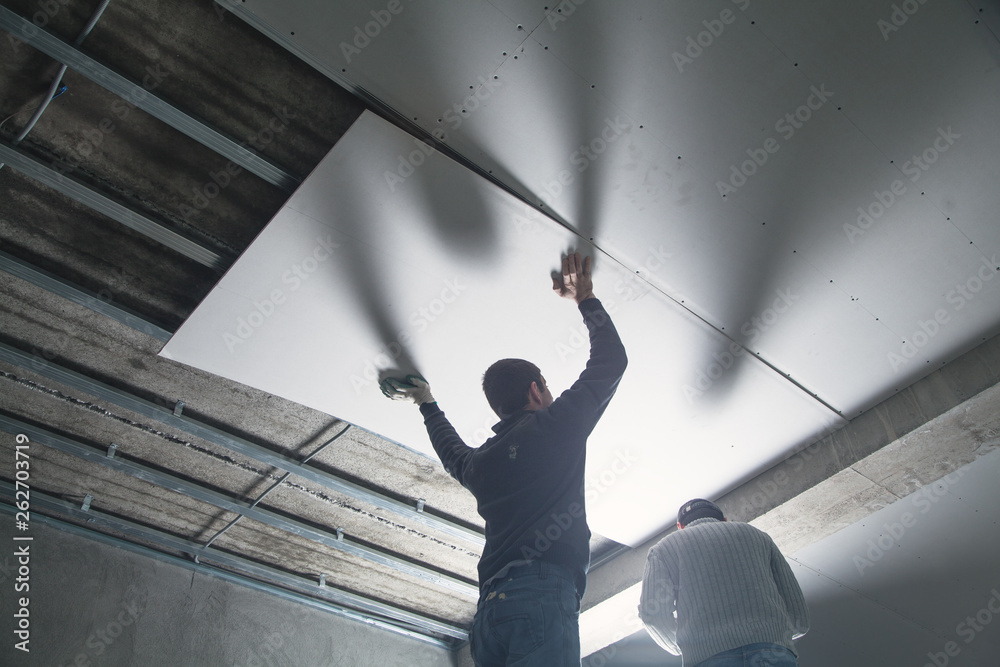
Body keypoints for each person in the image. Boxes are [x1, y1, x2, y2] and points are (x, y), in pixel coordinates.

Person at [382, 252, 627, 666]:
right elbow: (611, 362)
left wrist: (426, 402)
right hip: (540, 596)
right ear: (536, 391)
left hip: (492, 612)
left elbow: (452, 454)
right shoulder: (554, 425)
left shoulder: (484, 463)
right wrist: (584, 297)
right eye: (546, 389)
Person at [638, 498, 810, 666]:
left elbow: (652, 614)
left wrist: (683, 646)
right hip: (772, 651)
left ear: (680, 527)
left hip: (708, 658)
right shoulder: (758, 536)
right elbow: (798, 614)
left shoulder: (663, 550)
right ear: (724, 520)